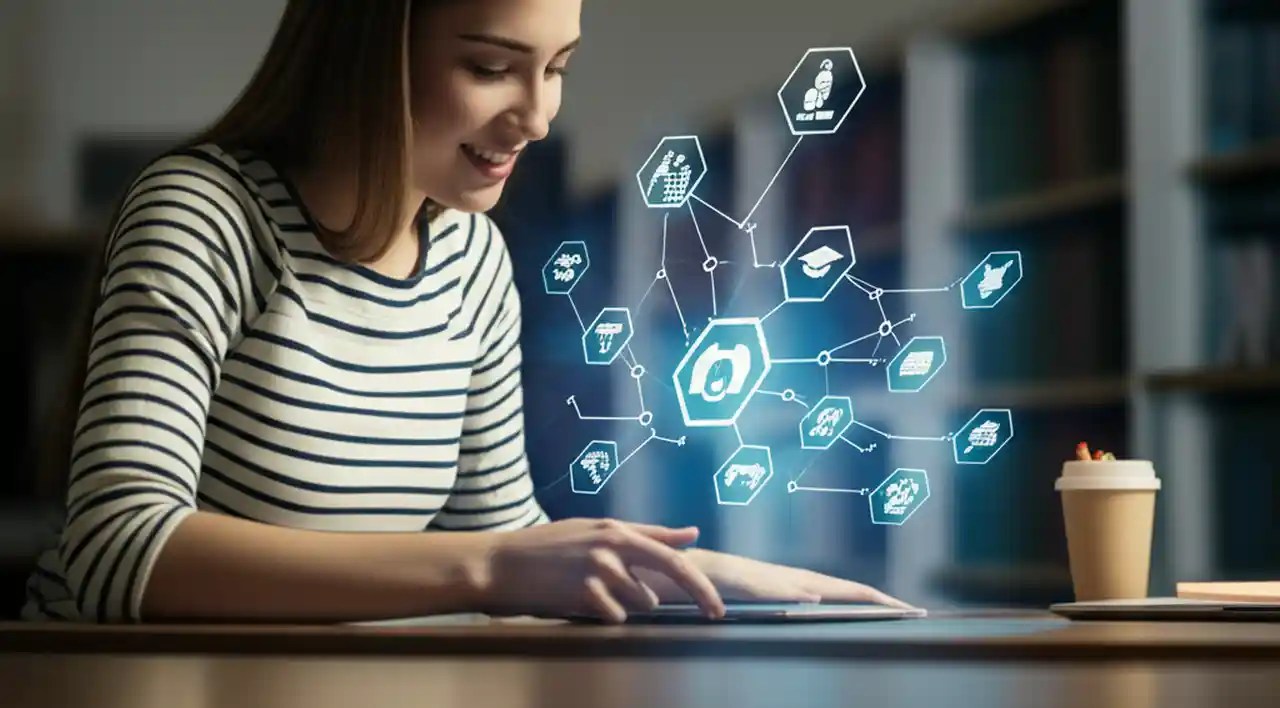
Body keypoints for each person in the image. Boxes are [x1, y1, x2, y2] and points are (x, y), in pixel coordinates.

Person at [22, 0, 909, 624]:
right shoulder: (205, 213)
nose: (537, 116)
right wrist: (488, 571)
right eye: (490, 67)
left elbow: (501, 537)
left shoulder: (471, 258)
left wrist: (696, 576)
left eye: (557, 67)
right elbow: (119, 546)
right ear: (369, 49)